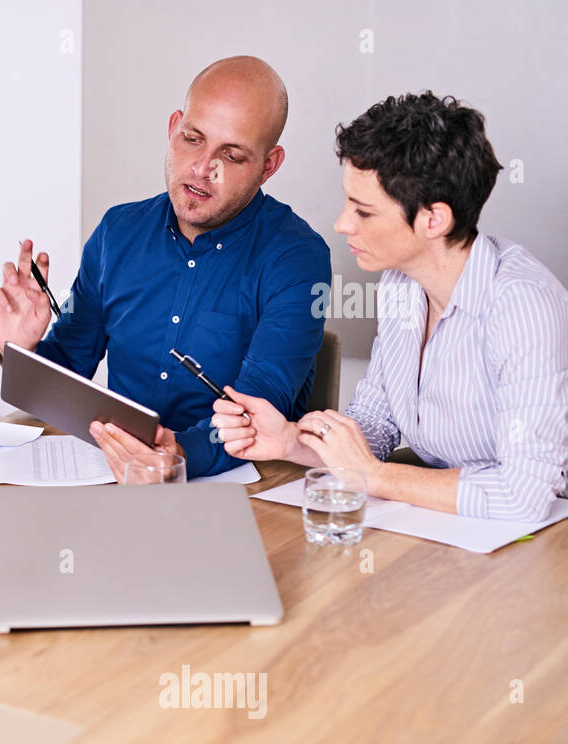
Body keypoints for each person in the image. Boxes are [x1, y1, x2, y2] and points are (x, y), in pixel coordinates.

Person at [213, 92, 568, 522]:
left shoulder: (522, 305)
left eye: (364, 211)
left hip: (541, 535)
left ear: (434, 220)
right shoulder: (402, 283)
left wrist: (374, 477)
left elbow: (523, 494)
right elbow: (374, 430)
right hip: (452, 525)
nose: (343, 224)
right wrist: (289, 440)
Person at [0, 55, 331, 480]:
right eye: (192, 138)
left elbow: (258, 413)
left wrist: (176, 454)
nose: (203, 168)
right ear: (173, 128)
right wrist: (20, 350)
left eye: (233, 155)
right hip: (114, 475)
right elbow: (67, 374)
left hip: (244, 491)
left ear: (268, 166)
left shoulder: (296, 257)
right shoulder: (117, 232)